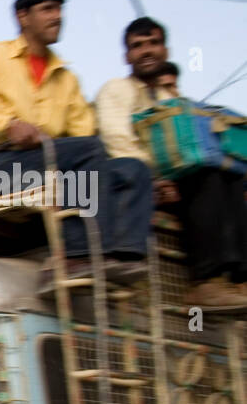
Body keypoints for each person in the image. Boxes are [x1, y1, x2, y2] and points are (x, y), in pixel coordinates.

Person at [0, 0, 155, 292]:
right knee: (88, 153)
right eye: (47, 9)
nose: (57, 17)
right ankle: (73, 257)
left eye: (59, 9)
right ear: (22, 16)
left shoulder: (67, 79)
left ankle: (123, 256)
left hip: (48, 168)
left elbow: (84, 138)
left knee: (133, 170)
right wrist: (6, 124)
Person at [96, 17, 247, 310]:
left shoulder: (172, 99)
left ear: (165, 50)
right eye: (137, 46)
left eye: (153, 43)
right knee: (205, 178)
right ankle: (206, 282)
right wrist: (154, 178)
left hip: (174, 181)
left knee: (227, 175)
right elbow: (118, 141)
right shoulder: (116, 89)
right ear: (127, 56)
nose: (146, 51)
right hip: (132, 181)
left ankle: (240, 278)